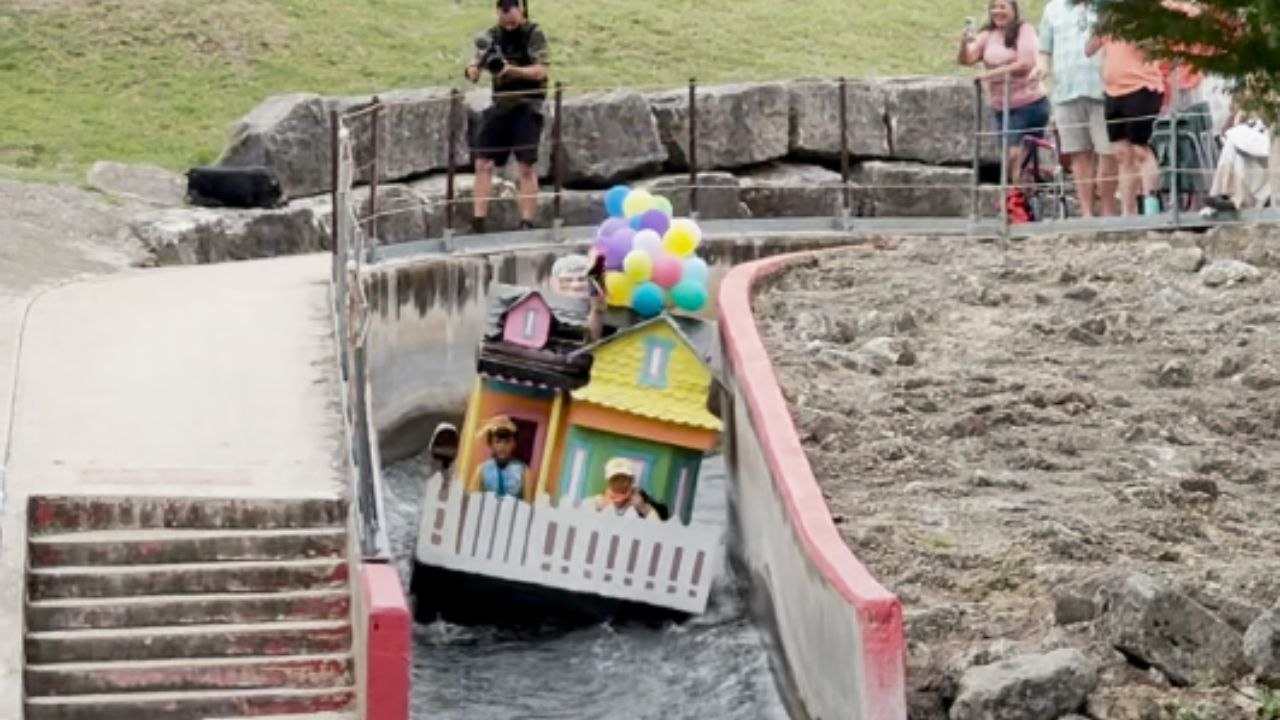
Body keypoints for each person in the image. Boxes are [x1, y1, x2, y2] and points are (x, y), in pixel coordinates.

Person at [465, 0, 550, 235]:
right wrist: (475, 67)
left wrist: (509, 70)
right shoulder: (492, 36)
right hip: (501, 105)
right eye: (504, 16)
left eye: (512, 15)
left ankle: (527, 222)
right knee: (482, 162)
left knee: (525, 166)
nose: (509, 21)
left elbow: (541, 70)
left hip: (528, 104)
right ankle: (478, 221)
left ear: (521, 10)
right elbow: (473, 67)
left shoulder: (533, 33)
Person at [958, 0, 1050, 195]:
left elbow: (1026, 63)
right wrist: (963, 44)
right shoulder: (988, 35)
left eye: (1002, 7)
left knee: (1015, 155)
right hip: (1002, 106)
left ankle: (1020, 202)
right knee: (1012, 158)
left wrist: (989, 75)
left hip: (1028, 103)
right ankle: (1019, 202)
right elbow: (967, 60)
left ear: (1014, 10)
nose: (997, 12)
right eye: (994, 8)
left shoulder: (1024, 30)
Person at [1035, 0, 1116, 217]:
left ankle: (1108, 211)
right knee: (1079, 155)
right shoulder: (1052, 9)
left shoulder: (1109, 6)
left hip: (1104, 90)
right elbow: (1044, 50)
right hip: (1066, 91)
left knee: (1109, 152)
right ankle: (1087, 213)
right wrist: (1041, 68)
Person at [1086, 17, 1165, 216]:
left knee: (1141, 150)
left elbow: (1154, 44)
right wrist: (1104, 24)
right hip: (1113, 91)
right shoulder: (1110, 16)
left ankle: (1151, 209)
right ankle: (1128, 213)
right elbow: (1089, 49)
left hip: (1142, 86)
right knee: (1122, 153)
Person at [1201, 108, 1271, 218]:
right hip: (1255, 157)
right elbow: (1224, 132)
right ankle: (1232, 197)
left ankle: (1227, 195)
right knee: (1235, 146)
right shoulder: (1245, 108)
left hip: (1269, 154)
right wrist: (1239, 120)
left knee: (1237, 145)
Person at [470, 416, 530, 500]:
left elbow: (527, 506)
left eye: (507, 442)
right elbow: (473, 500)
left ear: (514, 444)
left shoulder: (524, 472)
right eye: (498, 442)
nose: (502, 446)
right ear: (491, 444)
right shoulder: (481, 469)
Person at [593, 458, 662, 522]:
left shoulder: (644, 504)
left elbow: (659, 530)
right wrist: (595, 511)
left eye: (624, 479)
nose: (619, 483)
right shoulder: (595, 502)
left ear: (632, 480)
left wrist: (644, 509)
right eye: (615, 479)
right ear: (608, 481)